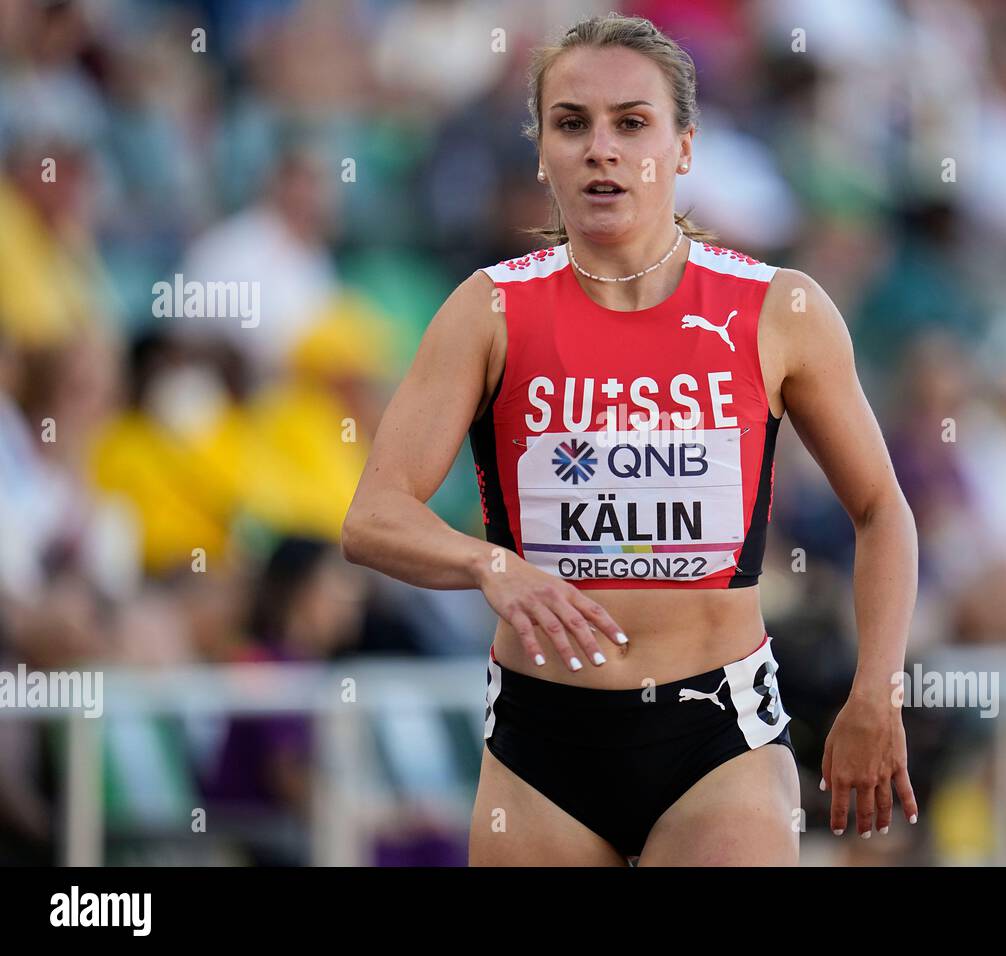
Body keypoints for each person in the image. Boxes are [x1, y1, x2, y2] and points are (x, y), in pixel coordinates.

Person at [342, 13, 919, 866]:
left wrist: (876, 691)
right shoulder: (488, 310)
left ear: (683, 148)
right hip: (541, 745)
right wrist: (492, 566)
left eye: (632, 123)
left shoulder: (778, 309)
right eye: (572, 124)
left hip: (717, 736)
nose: (601, 149)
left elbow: (880, 509)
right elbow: (373, 518)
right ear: (542, 152)